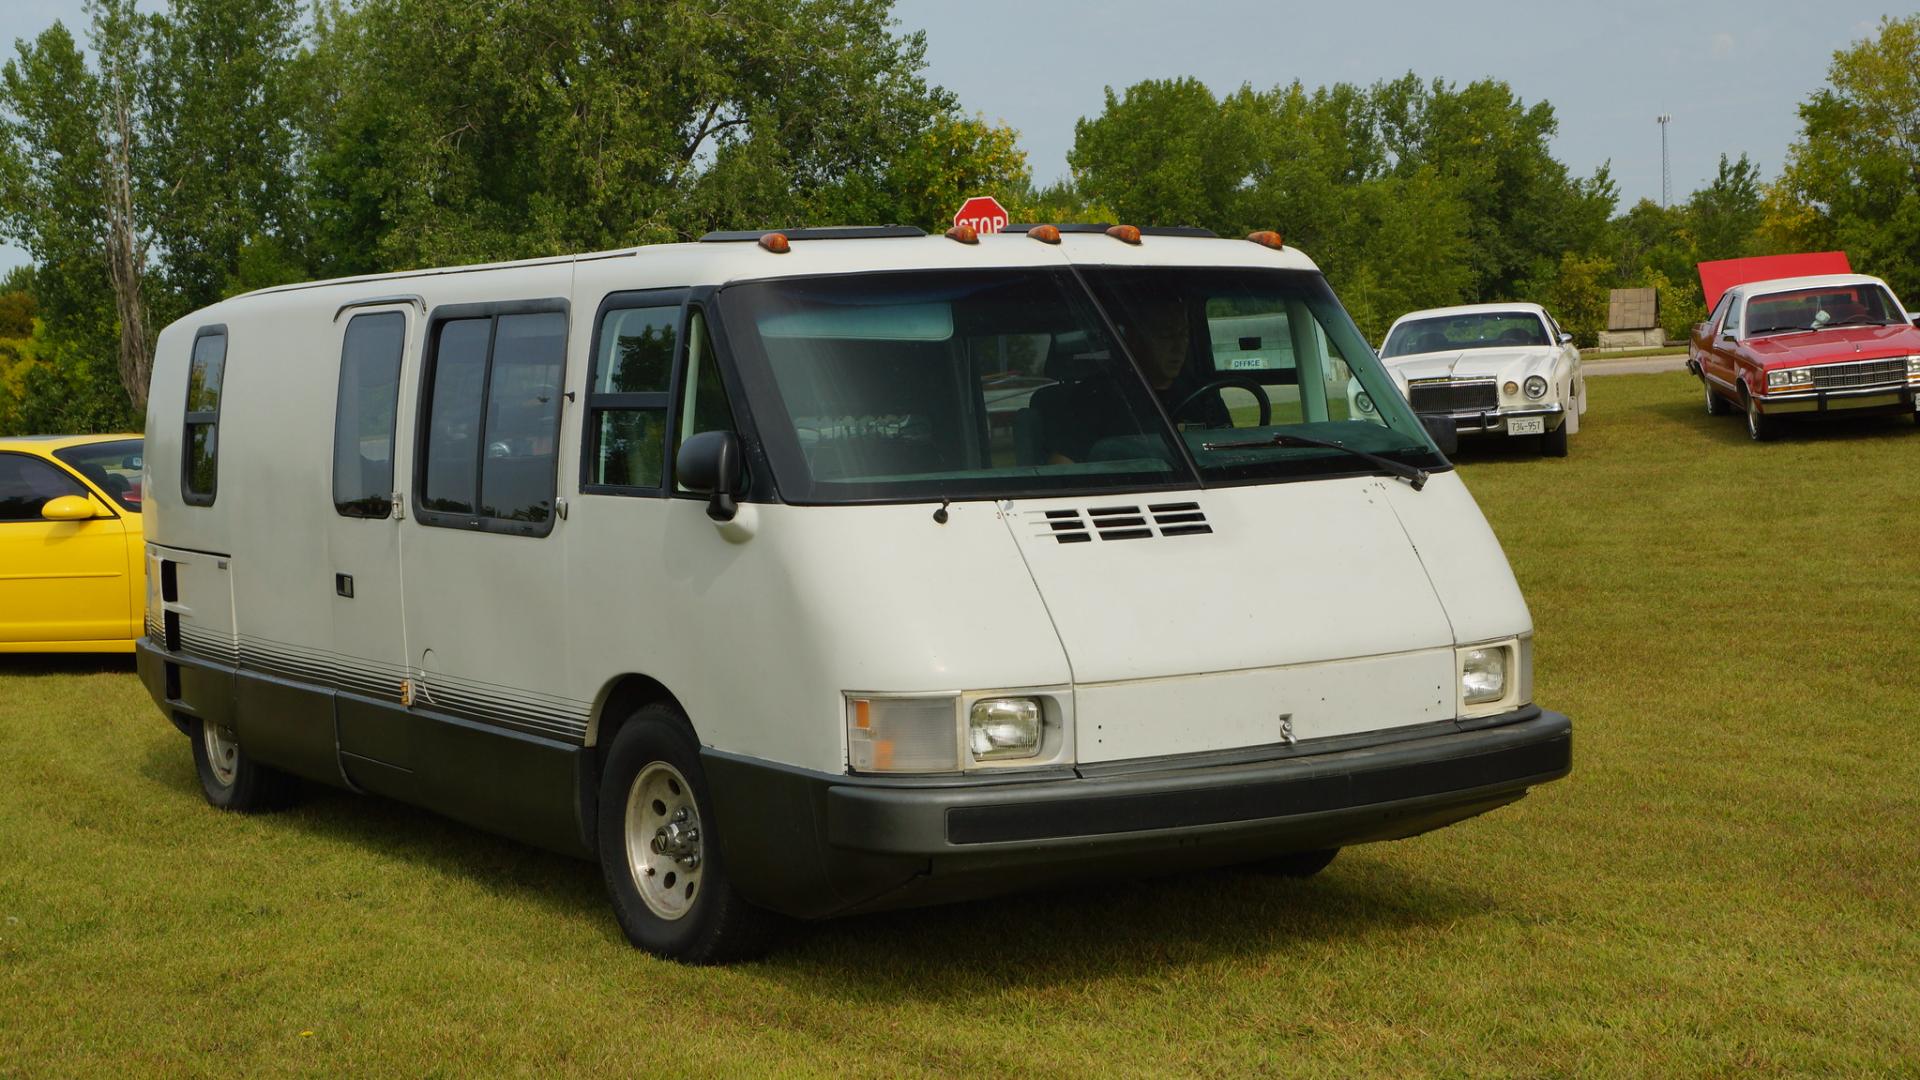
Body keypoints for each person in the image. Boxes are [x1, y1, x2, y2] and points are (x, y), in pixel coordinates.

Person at [1030, 293, 1225, 464]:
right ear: (1135, 339)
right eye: (1166, 335)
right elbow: (1062, 464)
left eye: (1183, 335)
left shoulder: (1202, 393)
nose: (1178, 346)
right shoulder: (1098, 397)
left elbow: (1231, 450)